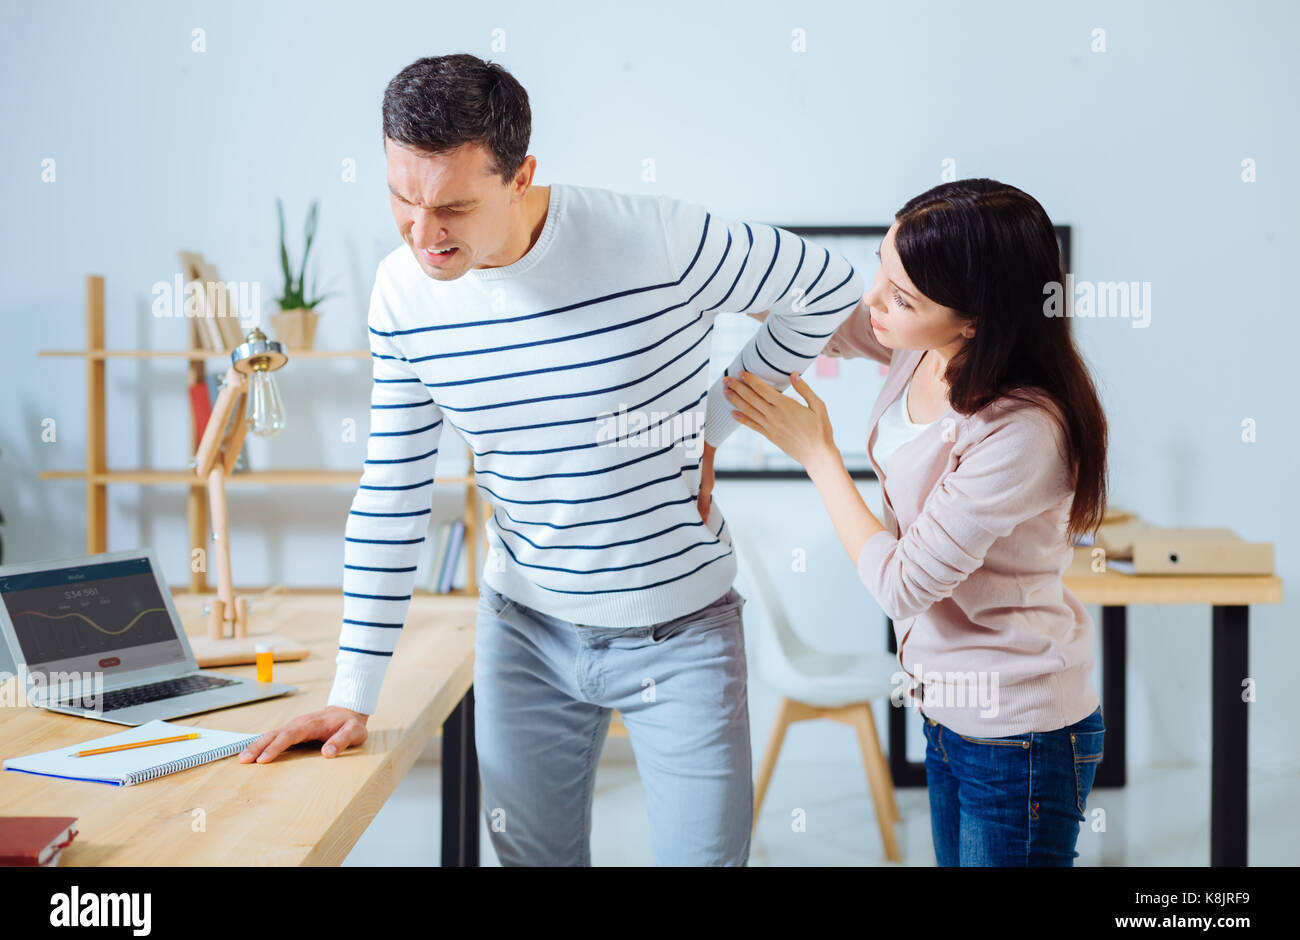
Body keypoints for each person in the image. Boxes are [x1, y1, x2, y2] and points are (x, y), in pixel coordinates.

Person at [237, 53, 864, 866]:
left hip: (681, 635)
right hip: (524, 631)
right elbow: (393, 489)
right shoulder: (402, 295)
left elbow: (825, 283)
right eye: (401, 198)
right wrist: (353, 694)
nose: (424, 234)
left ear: (521, 174)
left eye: (454, 207)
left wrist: (711, 424)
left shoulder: (658, 239)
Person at [725, 179, 1109, 866]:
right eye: (882, 266)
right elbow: (817, 314)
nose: (874, 299)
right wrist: (691, 270)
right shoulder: (919, 348)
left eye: (902, 297)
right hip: (946, 712)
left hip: (1019, 731)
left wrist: (818, 455)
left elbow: (901, 587)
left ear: (974, 320)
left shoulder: (1023, 428)